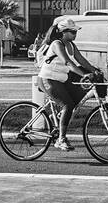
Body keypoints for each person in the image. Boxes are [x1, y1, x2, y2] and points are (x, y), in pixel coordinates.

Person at [36, 18, 99, 153]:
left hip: (61, 80)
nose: (75, 34)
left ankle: (57, 118)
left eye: (76, 31)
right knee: (68, 105)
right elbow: (68, 62)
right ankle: (61, 139)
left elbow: (81, 59)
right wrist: (84, 75)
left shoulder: (71, 45)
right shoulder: (56, 44)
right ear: (63, 32)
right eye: (72, 32)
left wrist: (94, 70)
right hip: (48, 80)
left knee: (78, 97)